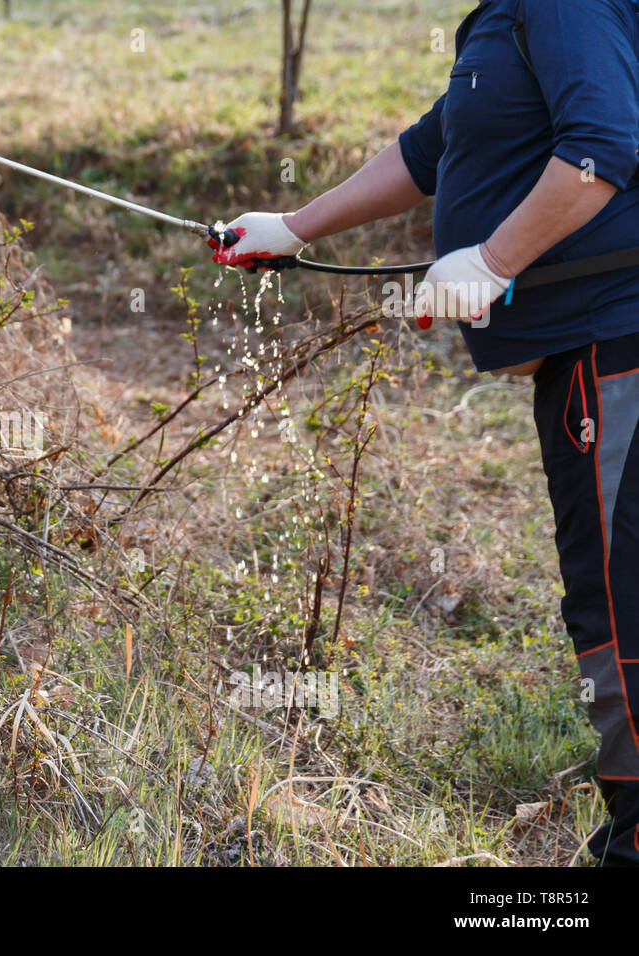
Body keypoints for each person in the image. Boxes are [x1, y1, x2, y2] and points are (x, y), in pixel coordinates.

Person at [211, 0, 639, 865]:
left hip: (614, 343)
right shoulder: (510, 16)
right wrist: (294, 227)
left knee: (620, 607)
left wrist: (492, 260)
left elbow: (600, 151)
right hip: (589, 351)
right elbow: (430, 150)